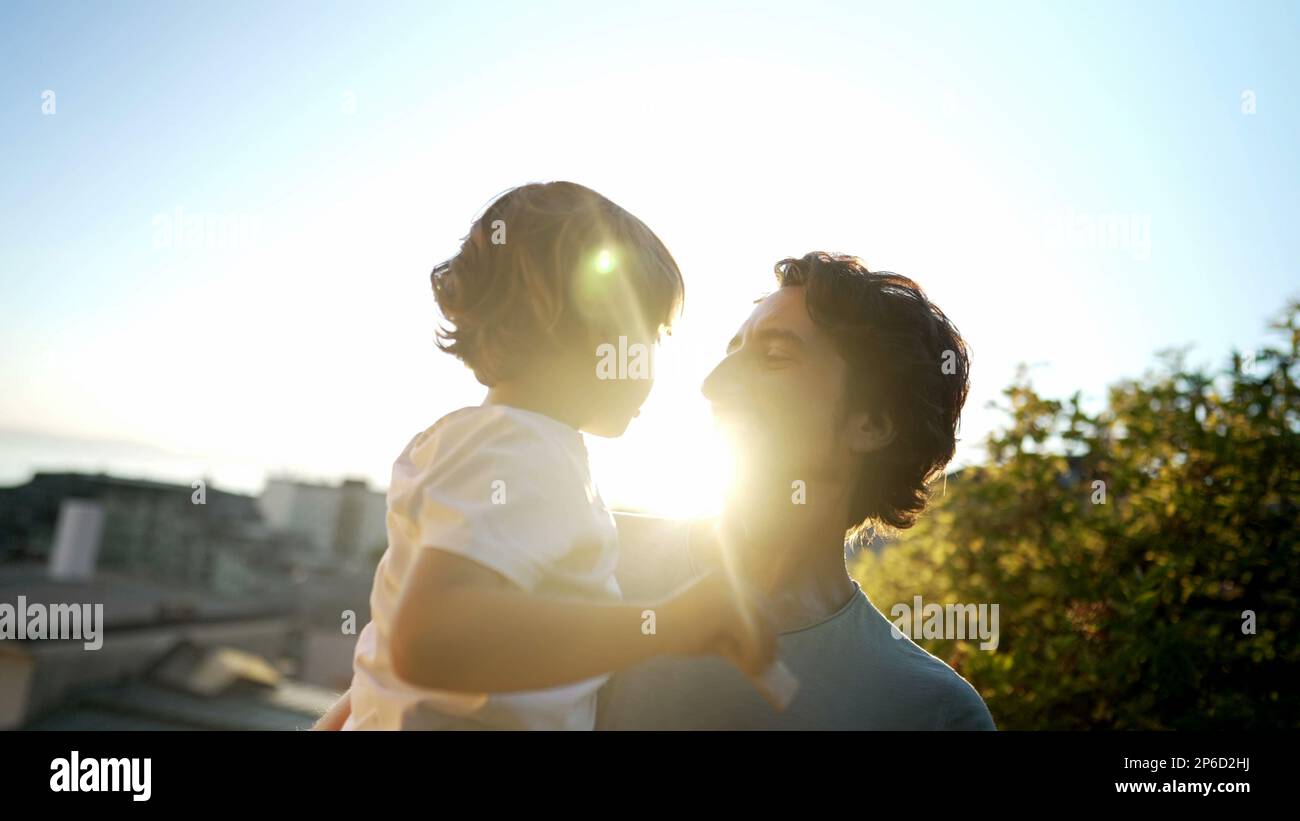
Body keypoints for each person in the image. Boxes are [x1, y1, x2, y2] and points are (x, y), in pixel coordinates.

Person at [341, 181, 776, 730]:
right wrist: (667, 624)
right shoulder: (523, 449)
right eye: (655, 335)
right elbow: (430, 639)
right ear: (597, 327)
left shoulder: (481, 440)